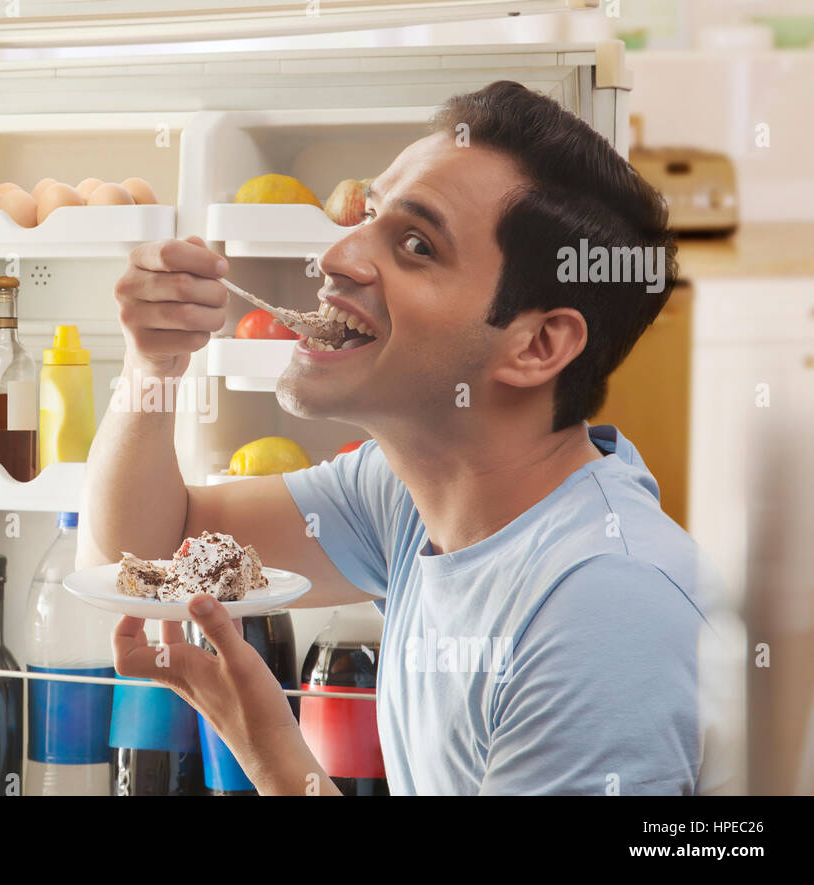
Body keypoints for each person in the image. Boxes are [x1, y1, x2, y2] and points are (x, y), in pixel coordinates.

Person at [76, 81, 740, 795]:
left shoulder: (603, 612)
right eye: (365, 213)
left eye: (416, 244)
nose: (337, 258)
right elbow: (135, 559)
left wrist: (267, 745)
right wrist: (154, 365)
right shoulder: (403, 498)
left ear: (538, 345)